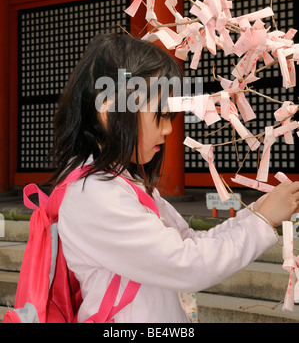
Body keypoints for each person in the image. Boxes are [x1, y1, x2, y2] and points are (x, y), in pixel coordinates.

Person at [48, 31, 299, 323]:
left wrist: (258, 211)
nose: (168, 129)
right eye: (162, 114)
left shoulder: (120, 183)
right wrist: (262, 221)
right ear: (110, 110)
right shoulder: (92, 194)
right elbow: (187, 263)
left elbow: (189, 242)